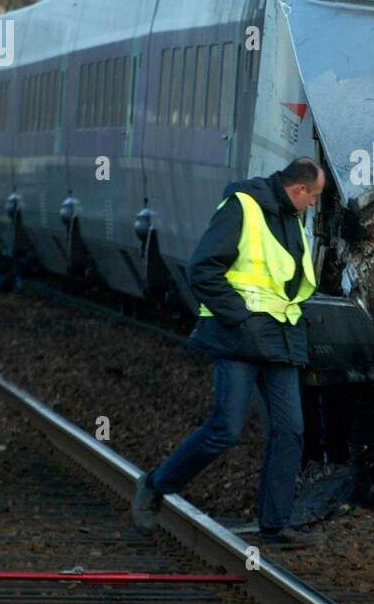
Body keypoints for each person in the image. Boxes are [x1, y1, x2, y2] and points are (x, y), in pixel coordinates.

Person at [132, 157, 325, 547]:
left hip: (280, 337)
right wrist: (240, 317)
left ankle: (274, 525)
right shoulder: (243, 206)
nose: (314, 206)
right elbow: (202, 268)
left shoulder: (292, 217)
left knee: (290, 431)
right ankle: (155, 485)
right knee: (226, 429)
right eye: (314, 197)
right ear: (298, 189)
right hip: (238, 337)